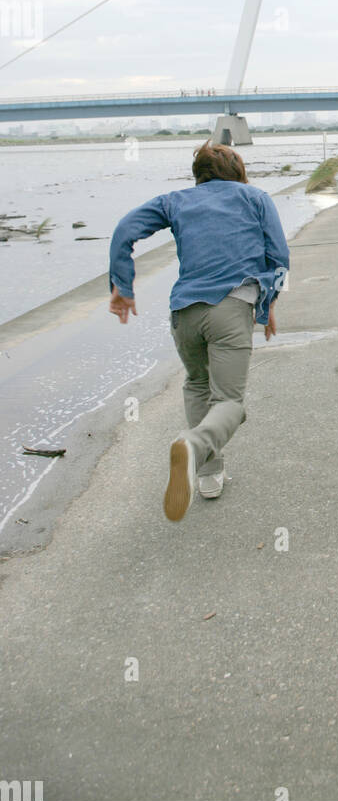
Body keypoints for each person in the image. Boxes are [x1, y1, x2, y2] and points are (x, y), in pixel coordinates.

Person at [108, 142, 290, 521]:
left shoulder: (176, 200)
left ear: (199, 174)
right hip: (231, 308)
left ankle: (209, 475)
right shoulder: (256, 198)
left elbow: (125, 229)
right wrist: (267, 303)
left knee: (196, 384)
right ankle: (194, 445)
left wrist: (123, 286)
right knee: (230, 402)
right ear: (237, 170)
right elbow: (279, 259)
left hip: (185, 313)